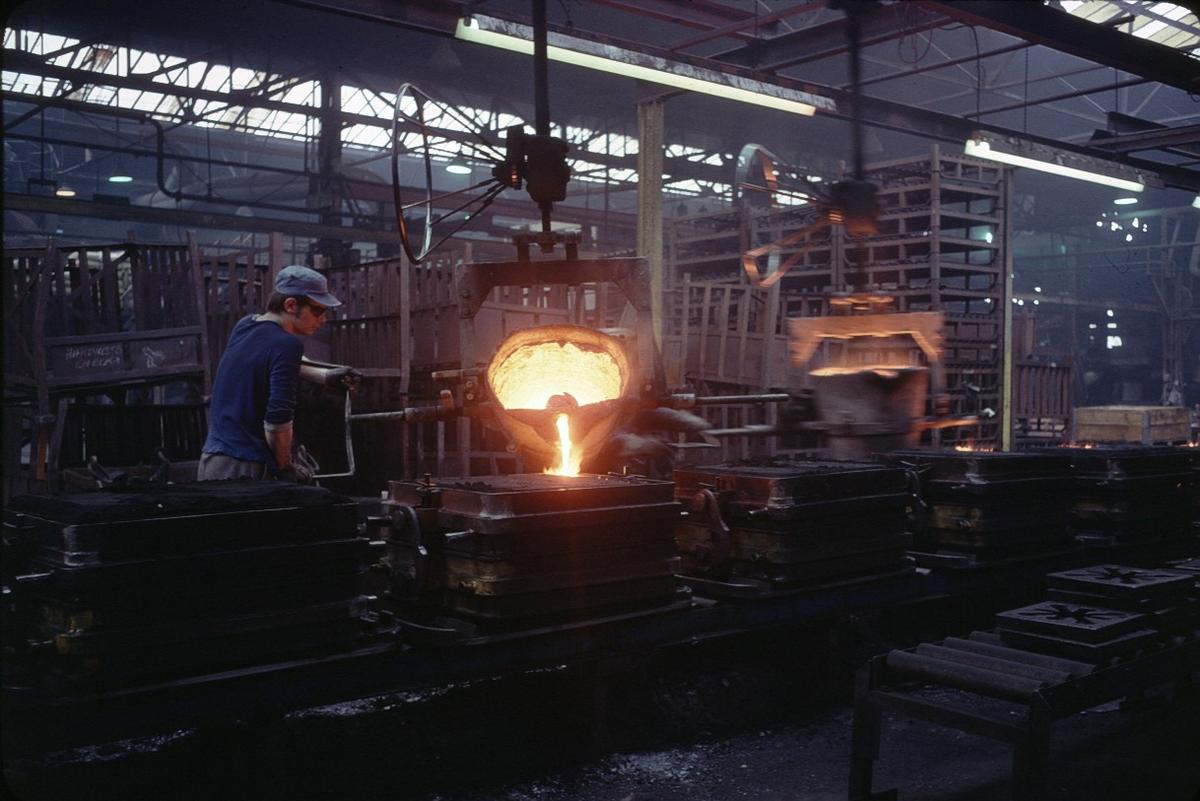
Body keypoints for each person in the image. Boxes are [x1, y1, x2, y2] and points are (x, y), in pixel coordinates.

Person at [198, 265, 362, 483]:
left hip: (214, 461)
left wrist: (325, 376)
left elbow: (276, 362)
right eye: (318, 311)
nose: (323, 319)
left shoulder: (245, 326)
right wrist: (285, 466)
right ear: (291, 305)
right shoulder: (287, 344)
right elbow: (277, 420)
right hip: (246, 469)